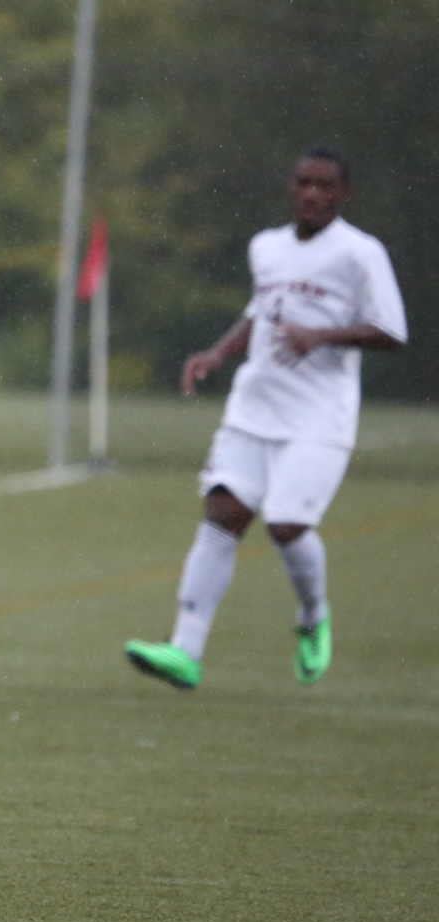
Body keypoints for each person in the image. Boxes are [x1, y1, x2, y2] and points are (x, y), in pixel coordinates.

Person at [125, 148, 406, 690]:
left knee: (285, 524)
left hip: (318, 418)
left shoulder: (359, 253)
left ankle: (311, 618)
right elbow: (260, 313)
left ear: (344, 194)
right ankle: (185, 651)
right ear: (291, 187)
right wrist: (218, 353)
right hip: (254, 407)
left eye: (325, 186)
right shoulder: (267, 246)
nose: (312, 193)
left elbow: (391, 331)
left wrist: (321, 335)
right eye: (303, 182)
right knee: (223, 514)